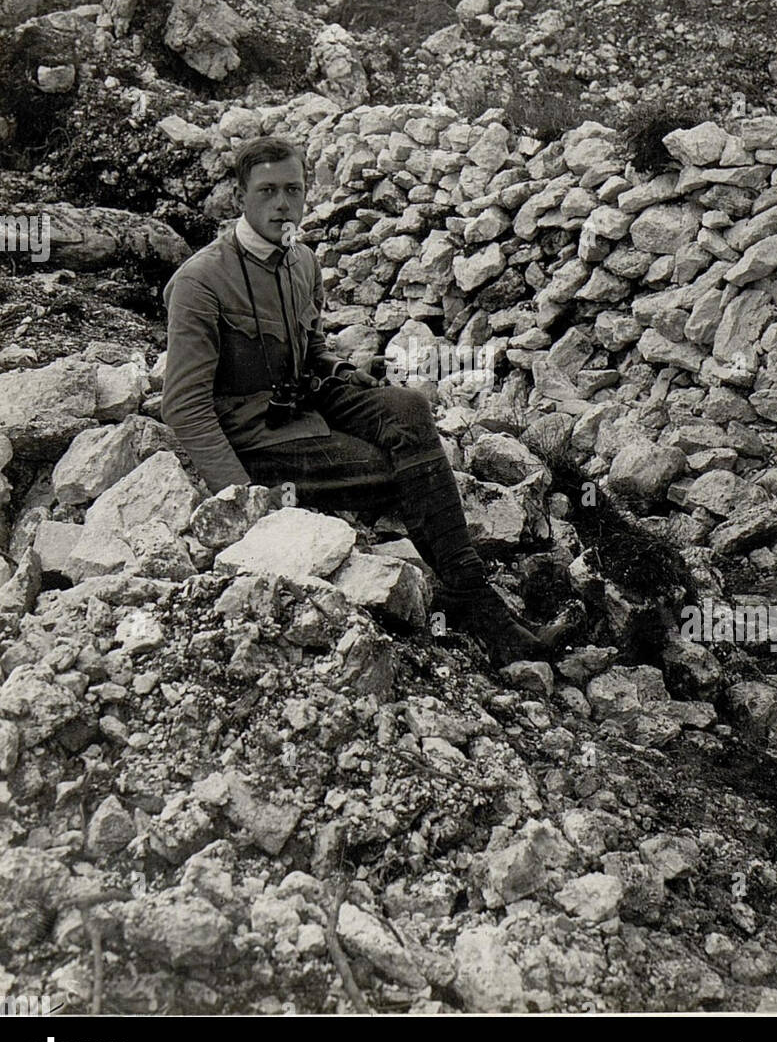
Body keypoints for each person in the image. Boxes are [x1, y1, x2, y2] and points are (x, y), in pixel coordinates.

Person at [161, 135, 547, 669]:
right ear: (239, 197)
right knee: (400, 473)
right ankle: (478, 604)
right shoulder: (199, 281)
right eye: (267, 191)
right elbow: (183, 405)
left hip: (308, 398)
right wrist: (242, 499)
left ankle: (468, 597)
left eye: (292, 190)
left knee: (408, 406)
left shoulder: (301, 261)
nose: (282, 204)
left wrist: (342, 371)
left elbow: (312, 345)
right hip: (255, 434)